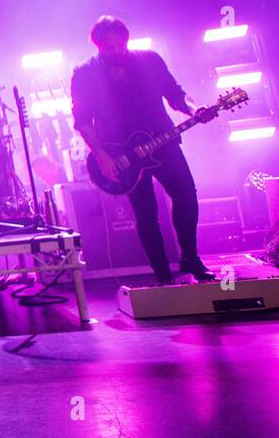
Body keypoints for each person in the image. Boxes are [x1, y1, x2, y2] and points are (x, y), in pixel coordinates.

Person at [71, 15, 213, 285]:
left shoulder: (149, 60)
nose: (118, 51)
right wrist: (102, 156)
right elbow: (82, 120)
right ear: (98, 45)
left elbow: (175, 93)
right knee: (146, 213)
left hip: (164, 141)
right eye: (110, 48)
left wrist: (195, 109)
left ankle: (191, 260)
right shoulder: (85, 73)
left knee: (187, 197)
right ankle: (162, 275)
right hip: (122, 155)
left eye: (122, 45)